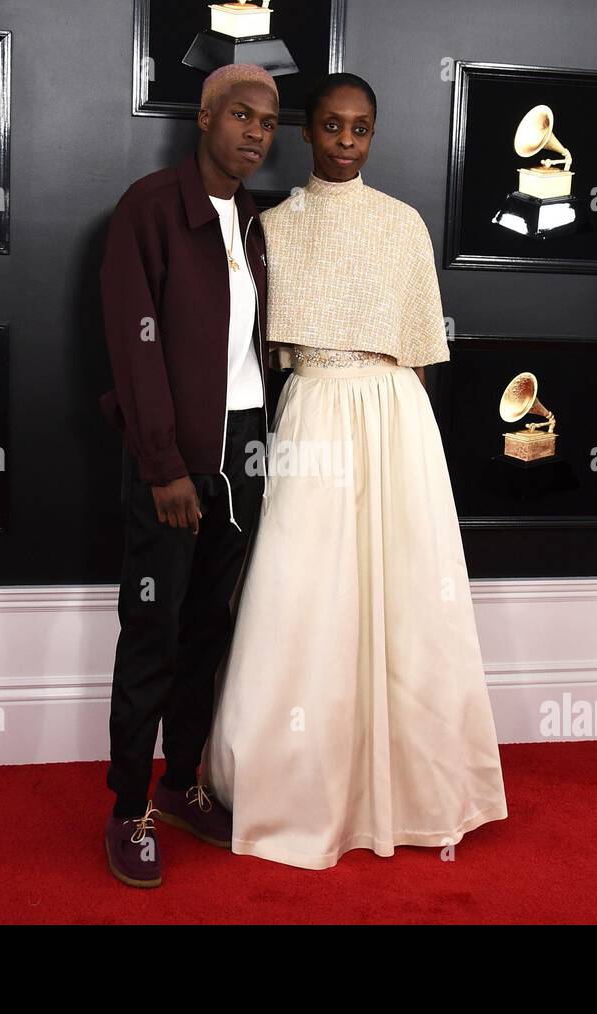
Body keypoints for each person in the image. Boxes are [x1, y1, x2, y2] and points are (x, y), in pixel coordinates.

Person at [203, 73, 508, 870]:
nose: (346, 142)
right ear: (306, 132)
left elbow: (421, 352)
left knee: (406, 590)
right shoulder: (270, 226)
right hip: (311, 413)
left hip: (397, 419)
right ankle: (299, 782)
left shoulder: (405, 225)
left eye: (361, 129)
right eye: (332, 127)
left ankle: (414, 785)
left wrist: (408, 437)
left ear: (374, 134)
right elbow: (255, 354)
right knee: (303, 592)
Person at [96, 64, 279, 887]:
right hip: (173, 460)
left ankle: (180, 787)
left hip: (246, 453)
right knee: (155, 636)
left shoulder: (260, 221)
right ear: (204, 117)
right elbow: (135, 351)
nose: (254, 132)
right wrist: (164, 465)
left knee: (211, 633)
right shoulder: (150, 209)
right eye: (240, 114)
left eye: (268, 123)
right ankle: (127, 808)